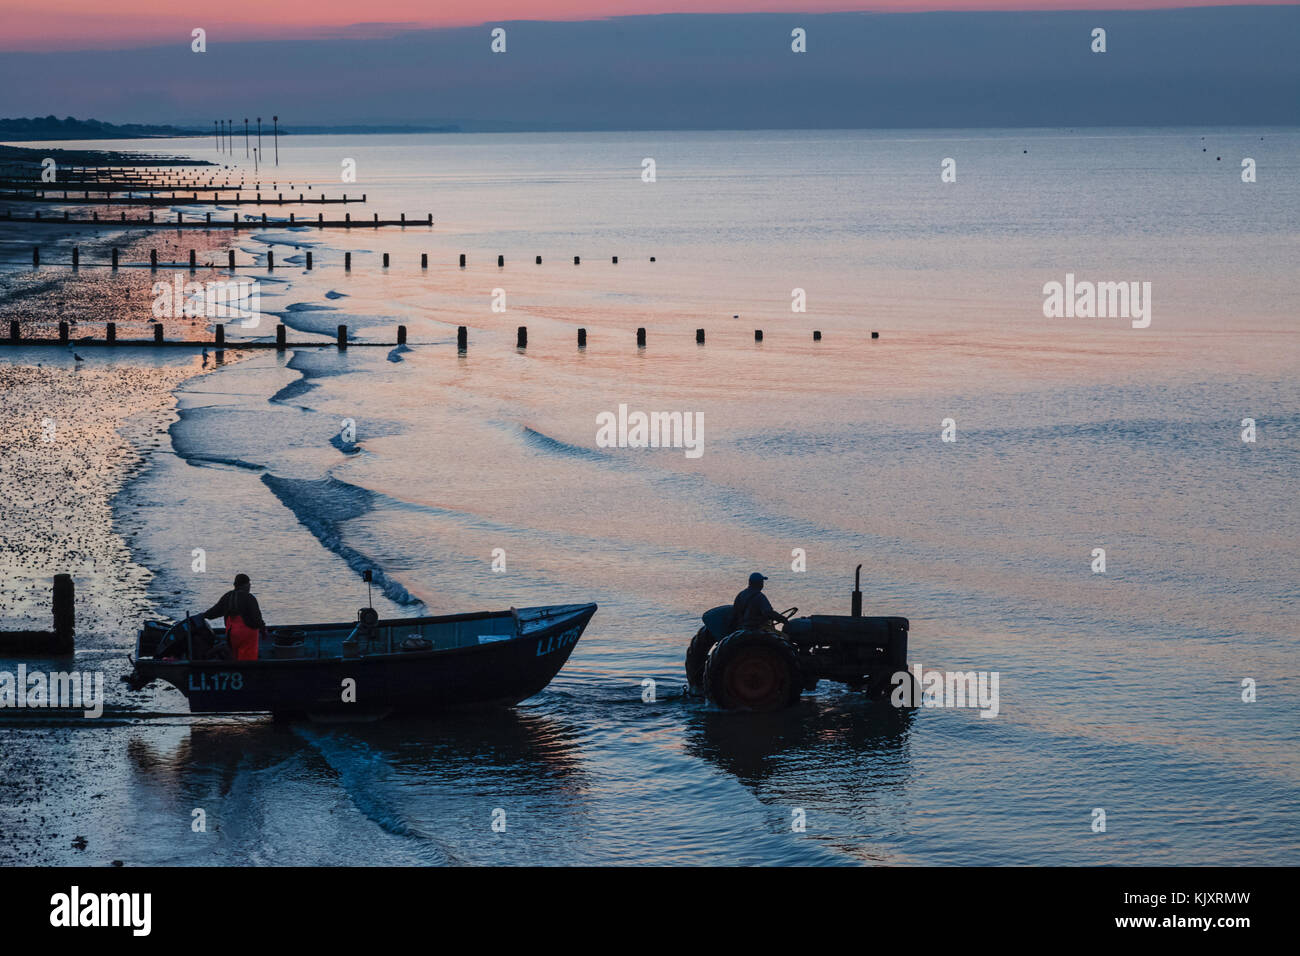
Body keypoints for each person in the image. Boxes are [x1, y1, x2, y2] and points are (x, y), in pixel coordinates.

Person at [202, 573, 266, 661]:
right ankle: (247, 672)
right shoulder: (249, 598)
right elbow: (257, 619)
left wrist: (202, 616)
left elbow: (213, 613)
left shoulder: (227, 596)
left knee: (235, 657)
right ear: (246, 585)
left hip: (232, 635)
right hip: (247, 635)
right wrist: (263, 630)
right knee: (248, 660)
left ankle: (234, 669)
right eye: (249, 584)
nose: (250, 586)